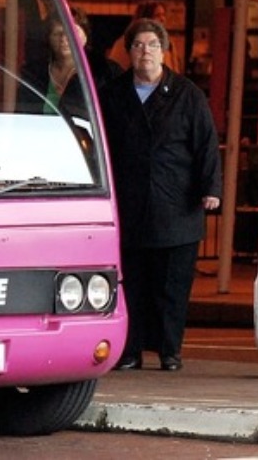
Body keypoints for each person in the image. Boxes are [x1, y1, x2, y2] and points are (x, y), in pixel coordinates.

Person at [99, 18, 222, 372]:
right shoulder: (113, 94)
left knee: (172, 286)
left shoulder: (187, 94)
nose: (145, 52)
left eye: (152, 45)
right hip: (130, 203)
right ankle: (131, 349)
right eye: (138, 45)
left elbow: (206, 145)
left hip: (176, 205)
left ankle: (170, 350)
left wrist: (210, 188)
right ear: (129, 52)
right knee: (132, 283)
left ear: (164, 50)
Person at [108, 0, 183, 74]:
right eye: (157, 15)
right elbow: (115, 71)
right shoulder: (127, 42)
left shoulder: (168, 44)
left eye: (163, 15)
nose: (162, 19)